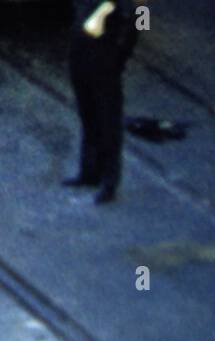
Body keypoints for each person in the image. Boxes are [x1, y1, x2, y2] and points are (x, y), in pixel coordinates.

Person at [63, 0, 142, 204]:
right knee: (88, 117)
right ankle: (90, 171)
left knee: (108, 122)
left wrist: (117, 61)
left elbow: (136, 24)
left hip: (103, 63)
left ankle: (109, 181)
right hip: (80, 57)